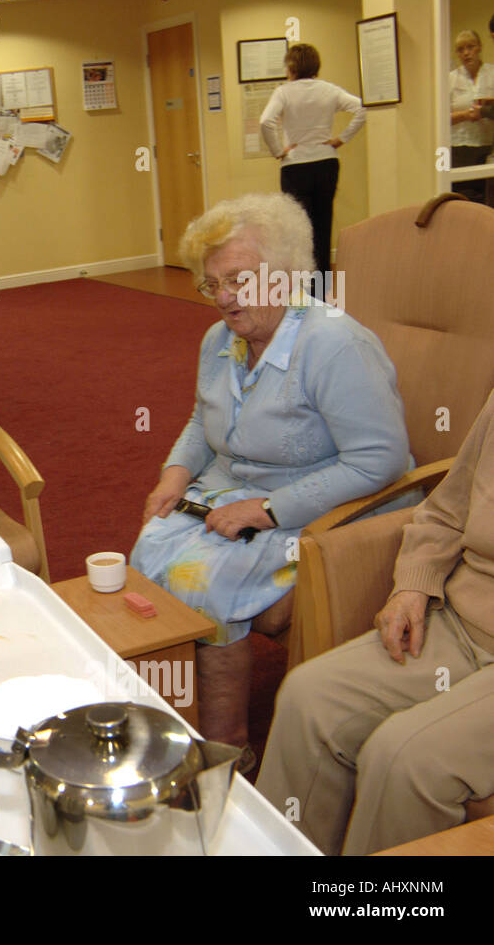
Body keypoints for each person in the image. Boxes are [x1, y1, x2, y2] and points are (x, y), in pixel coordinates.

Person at [130, 193, 410, 760]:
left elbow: (378, 459)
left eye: (238, 279)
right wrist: (174, 475)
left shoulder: (334, 344)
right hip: (233, 489)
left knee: (200, 582)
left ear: (285, 276)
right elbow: (201, 417)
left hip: (332, 503)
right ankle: (173, 717)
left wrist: (267, 510)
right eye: (212, 284)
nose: (224, 299)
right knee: (146, 556)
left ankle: (227, 743)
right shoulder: (219, 341)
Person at [257, 390, 494, 855]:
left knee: (406, 758)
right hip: (463, 617)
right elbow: (449, 509)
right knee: (310, 698)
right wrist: (414, 583)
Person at [258, 43, 366, 274]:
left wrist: (278, 150)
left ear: (291, 67)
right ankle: (322, 291)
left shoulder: (284, 92)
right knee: (322, 227)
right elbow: (361, 109)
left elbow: (265, 122)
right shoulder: (329, 89)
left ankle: (301, 289)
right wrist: (341, 139)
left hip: (295, 166)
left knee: (296, 230)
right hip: (326, 163)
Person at [448, 30, 494, 206]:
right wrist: (465, 115)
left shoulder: (491, 73)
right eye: (460, 49)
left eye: (470, 47)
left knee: (488, 202)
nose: (466, 53)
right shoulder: (451, 79)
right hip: (460, 150)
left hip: (488, 147)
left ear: (479, 47)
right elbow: (440, 120)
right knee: (465, 202)